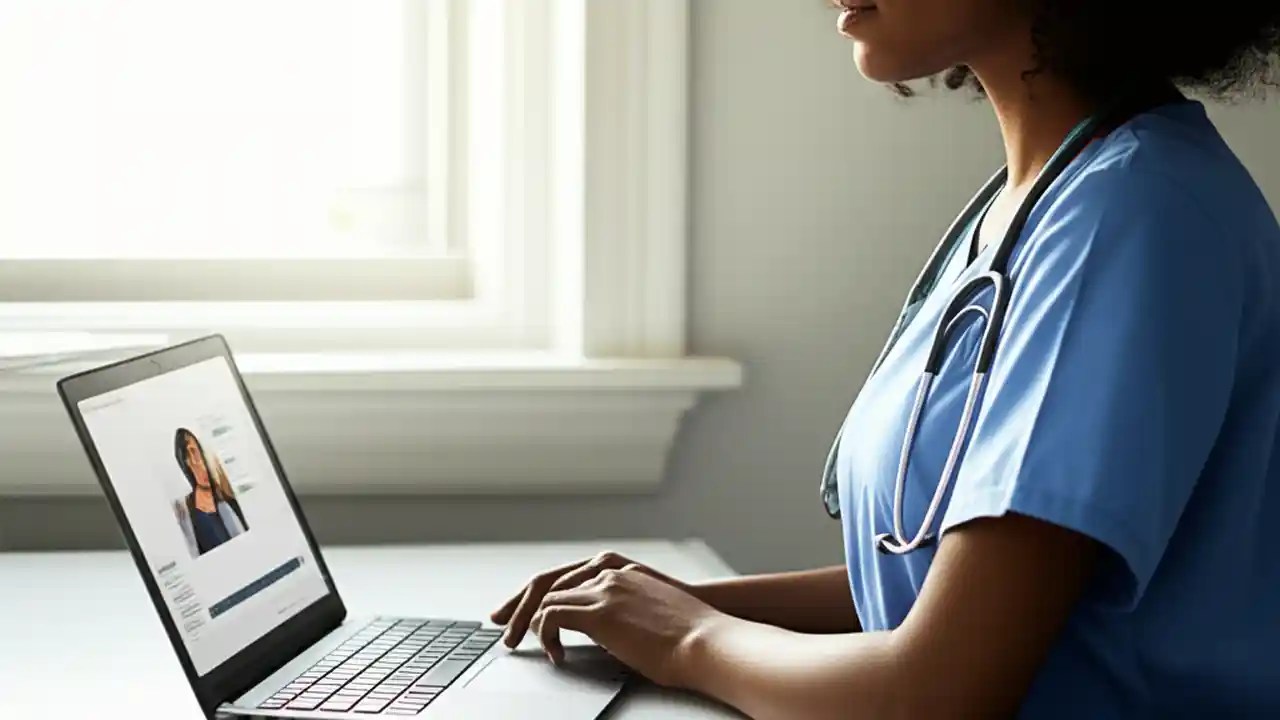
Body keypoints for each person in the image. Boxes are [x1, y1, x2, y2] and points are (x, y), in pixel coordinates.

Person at [490, 2, 1280, 718]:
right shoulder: (1046, 196)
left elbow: (938, 692)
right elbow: (948, 591)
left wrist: (690, 639)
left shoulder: (1133, 214)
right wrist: (682, 604)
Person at [173, 428, 248, 557]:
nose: (200, 464)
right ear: (184, 462)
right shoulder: (185, 517)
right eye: (191, 453)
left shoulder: (230, 501)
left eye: (199, 453)